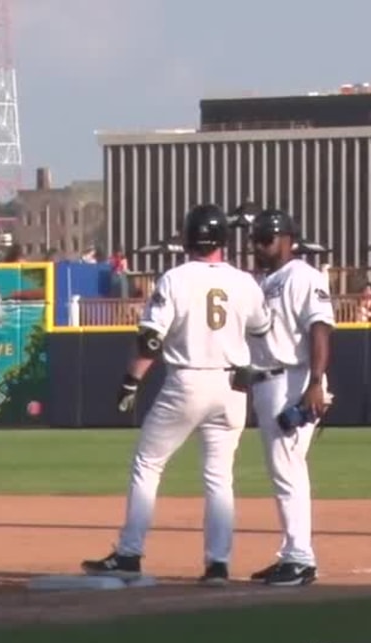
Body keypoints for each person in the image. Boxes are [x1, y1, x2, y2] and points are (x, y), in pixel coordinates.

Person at [81, 203, 271, 586]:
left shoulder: (175, 278)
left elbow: (151, 339)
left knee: (148, 464)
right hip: (233, 385)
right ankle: (217, 564)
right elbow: (262, 327)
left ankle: (129, 554)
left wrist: (132, 380)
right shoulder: (244, 281)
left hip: (188, 379)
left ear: (187, 238)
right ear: (223, 240)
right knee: (220, 477)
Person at [244, 210, 334, 587]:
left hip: (293, 380)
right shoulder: (265, 282)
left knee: (289, 471)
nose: (260, 246)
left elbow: (320, 328)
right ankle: (291, 553)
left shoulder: (303, 276)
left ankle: (299, 558)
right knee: (283, 471)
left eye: (267, 238)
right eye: (256, 239)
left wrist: (314, 382)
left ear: (287, 240)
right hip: (267, 380)